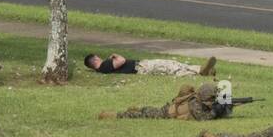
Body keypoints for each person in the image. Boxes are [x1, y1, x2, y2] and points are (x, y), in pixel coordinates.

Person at [98, 83, 223, 121]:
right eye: (212, 98)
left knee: (148, 110)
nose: (213, 100)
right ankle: (111, 115)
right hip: (164, 114)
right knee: (141, 115)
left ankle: (138, 108)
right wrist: (216, 112)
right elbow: (203, 118)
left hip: (166, 109)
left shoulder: (197, 99)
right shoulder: (195, 103)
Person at [84, 53, 217, 78]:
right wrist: (115, 55)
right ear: (95, 60)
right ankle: (200, 70)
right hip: (142, 67)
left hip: (141, 66)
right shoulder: (104, 66)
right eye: (97, 57)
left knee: (171, 66)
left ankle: (201, 70)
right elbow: (122, 61)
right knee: (170, 66)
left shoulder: (103, 68)